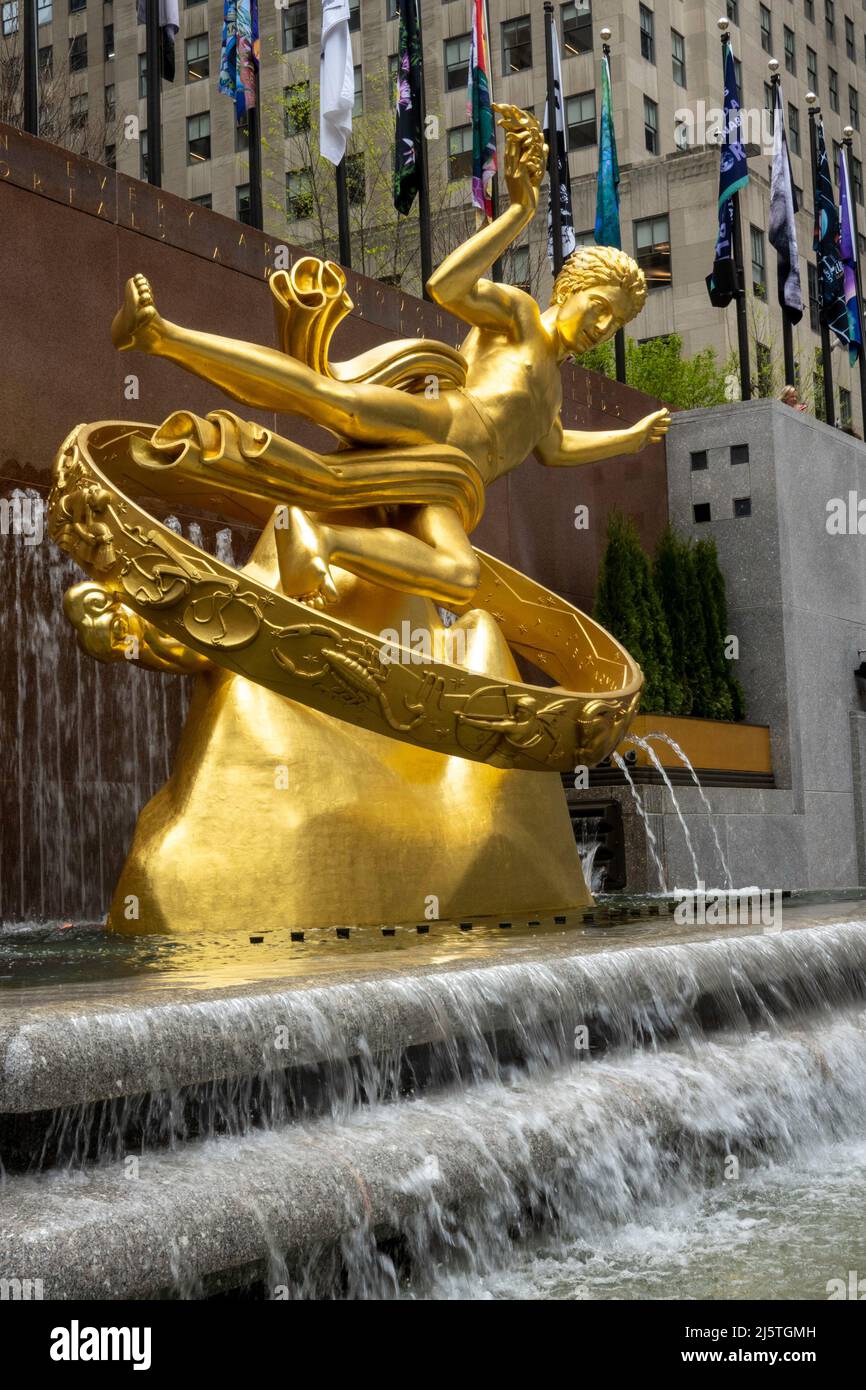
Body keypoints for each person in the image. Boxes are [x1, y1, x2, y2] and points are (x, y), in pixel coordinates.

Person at [111, 105, 670, 609]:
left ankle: (324, 541)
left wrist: (632, 437)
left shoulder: (553, 390)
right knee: (331, 399)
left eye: (615, 324)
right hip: (441, 423)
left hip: (457, 486)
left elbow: (556, 447)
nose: (602, 328)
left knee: (461, 575)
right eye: (600, 309)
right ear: (569, 290)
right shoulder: (519, 315)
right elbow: (447, 286)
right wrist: (521, 211)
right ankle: (160, 335)